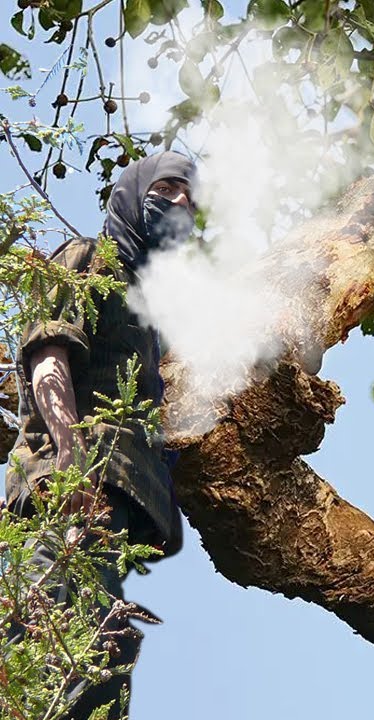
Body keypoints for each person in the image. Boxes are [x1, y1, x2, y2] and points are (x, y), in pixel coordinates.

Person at [3, 152, 196, 718]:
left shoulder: (153, 323)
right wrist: (69, 451)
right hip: (65, 494)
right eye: (167, 188)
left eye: (190, 197)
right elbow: (47, 358)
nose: (181, 202)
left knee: (94, 670)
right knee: (41, 643)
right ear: (134, 193)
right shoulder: (88, 258)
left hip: (105, 519)